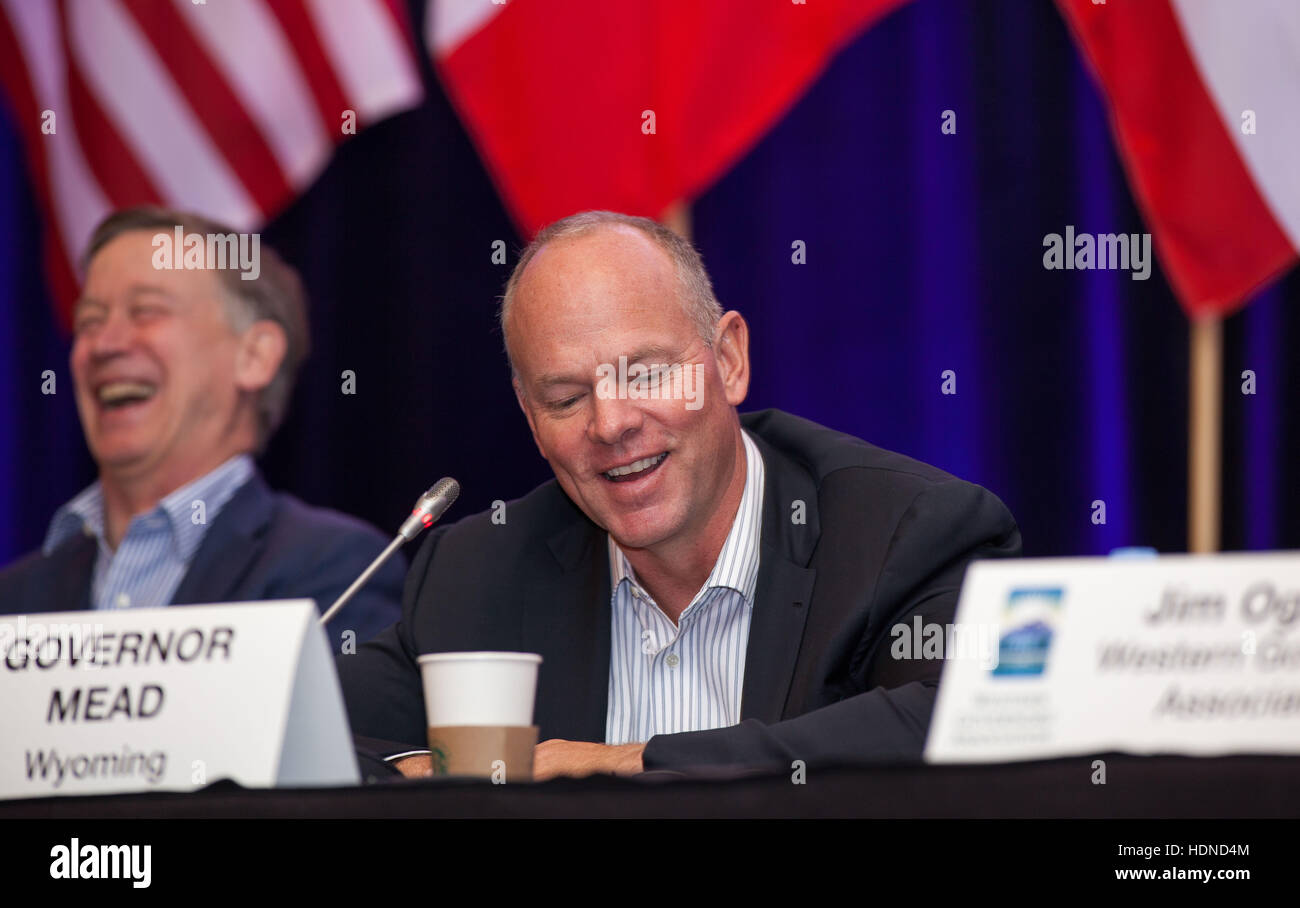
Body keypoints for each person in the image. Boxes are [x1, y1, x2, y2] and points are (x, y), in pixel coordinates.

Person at [339, 210, 1021, 779]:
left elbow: (971, 721)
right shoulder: (478, 570)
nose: (611, 423)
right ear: (530, 419)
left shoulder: (900, 533)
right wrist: (422, 774)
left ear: (728, 361)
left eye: (645, 373)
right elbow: (310, 732)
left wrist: (630, 765)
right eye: (567, 397)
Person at [0, 206, 403, 651]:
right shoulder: (15, 597)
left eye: (146, 311)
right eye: (89, 321)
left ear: (255, 356)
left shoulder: (333, 571)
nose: (105, 344)